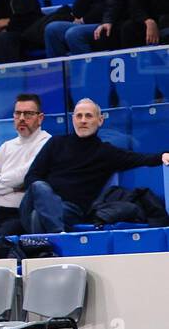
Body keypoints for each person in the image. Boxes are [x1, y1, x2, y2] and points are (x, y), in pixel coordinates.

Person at [19, 99, 169, 234]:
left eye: (88, 116)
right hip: (38, 203)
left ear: (100, 120)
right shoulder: (56, 143)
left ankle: (48, 244)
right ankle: (59, 236)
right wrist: (47, 200)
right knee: (38, 187)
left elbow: (139, 159)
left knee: (37, 217)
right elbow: (31, 177)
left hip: (70, 210)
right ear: (73, 119)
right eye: (79, 116)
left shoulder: (105, 152)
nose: (83, 120)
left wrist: (162, 156)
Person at [0, 94, 52, 237]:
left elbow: (26, 174)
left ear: (40, 118)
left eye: (28, 114)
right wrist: (16, 187)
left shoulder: (47, 143)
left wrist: (0, 179)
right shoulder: (6, 146)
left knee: (2, 240)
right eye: (18, 113)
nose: (22, 118)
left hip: (21, 213)